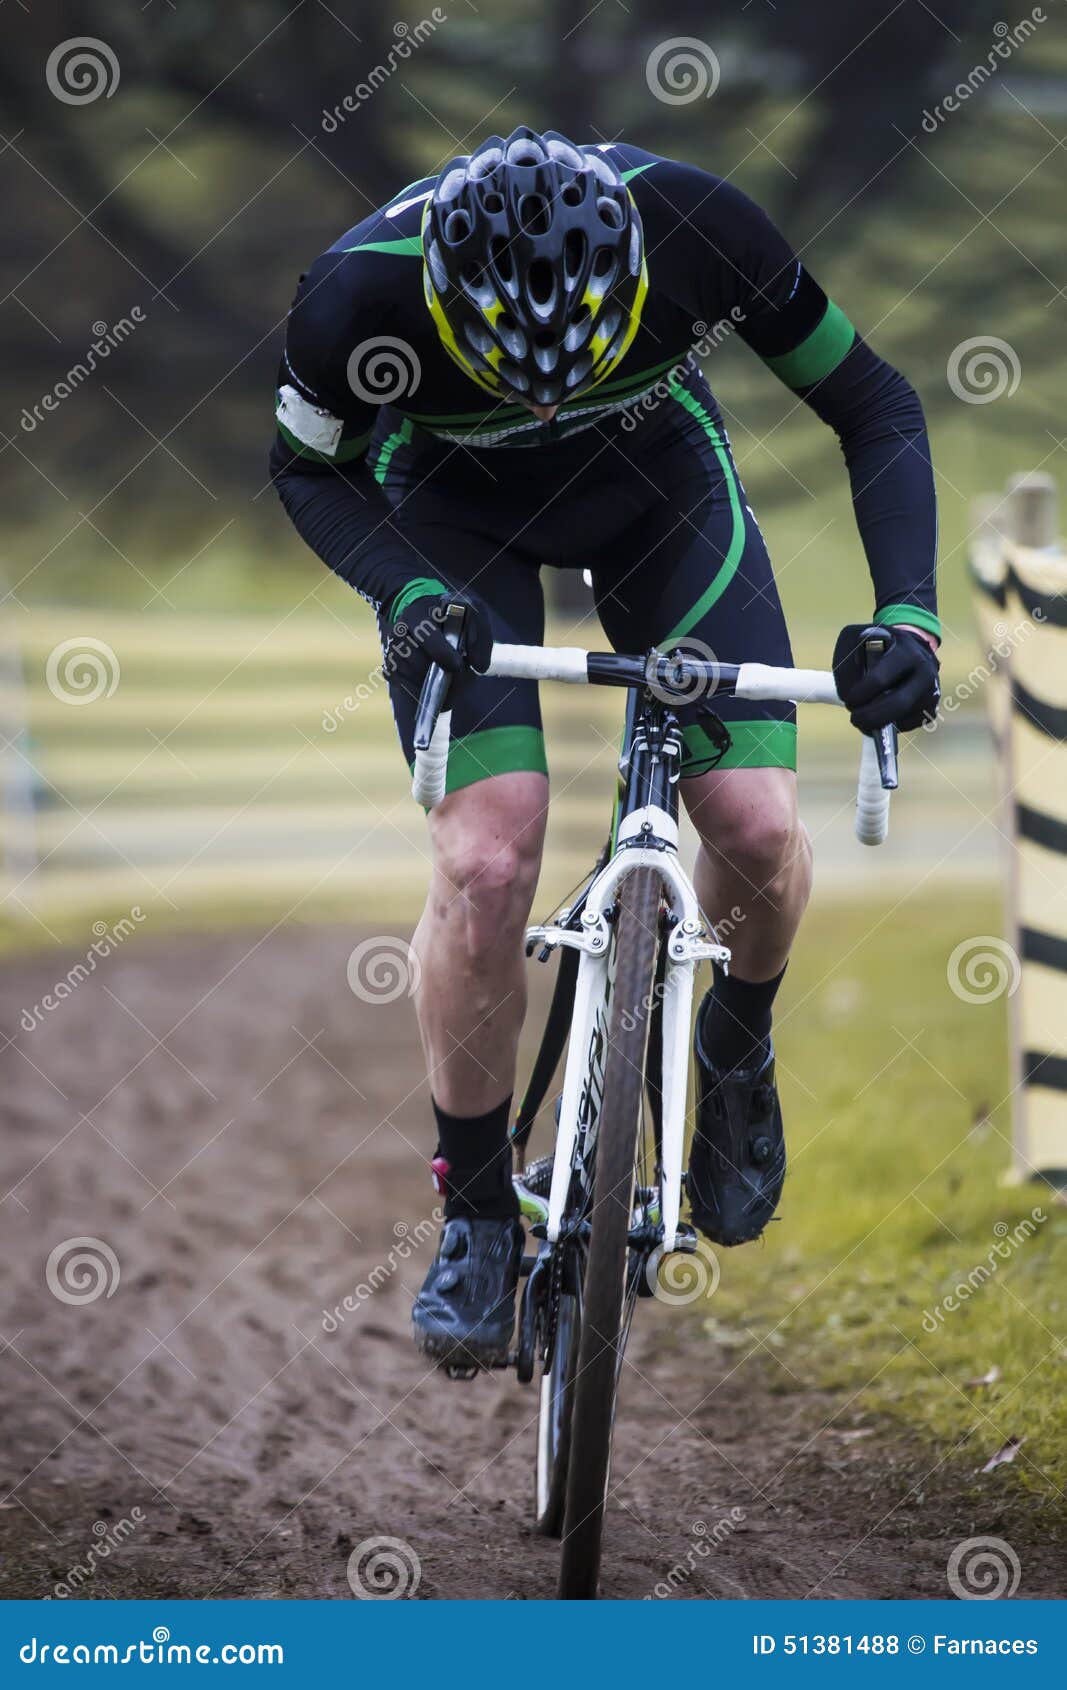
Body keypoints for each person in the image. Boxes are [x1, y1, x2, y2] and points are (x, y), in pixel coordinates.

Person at [270, 127, 940, 1369]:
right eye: (508, 371)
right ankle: (477, 1213)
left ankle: (733, 1049)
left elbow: (874, 406)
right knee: (485, 858)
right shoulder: (354, 294)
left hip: (656, 495)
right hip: (452, 520)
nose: (540, 402)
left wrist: (908, 616)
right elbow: (307, 471)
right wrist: (405, 594)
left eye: (567, 371)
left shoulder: (698, 228)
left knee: (752, 823)